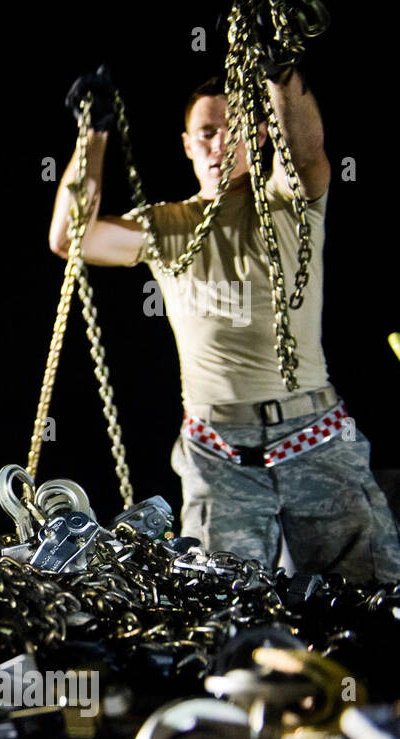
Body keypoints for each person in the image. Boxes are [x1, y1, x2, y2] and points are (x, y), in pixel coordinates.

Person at [48, 64, 400, 584]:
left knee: (371, 592)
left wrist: (280, 71)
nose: (219, 143)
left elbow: (307, 155)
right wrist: (92, 134)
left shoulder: (286, 203)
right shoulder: (167, 225)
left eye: (233, 128)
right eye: (207, 133)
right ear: (188, 145)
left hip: (315, 436)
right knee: (219, 601)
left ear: (257, 134)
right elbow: (71, 238)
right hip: (217, 450)